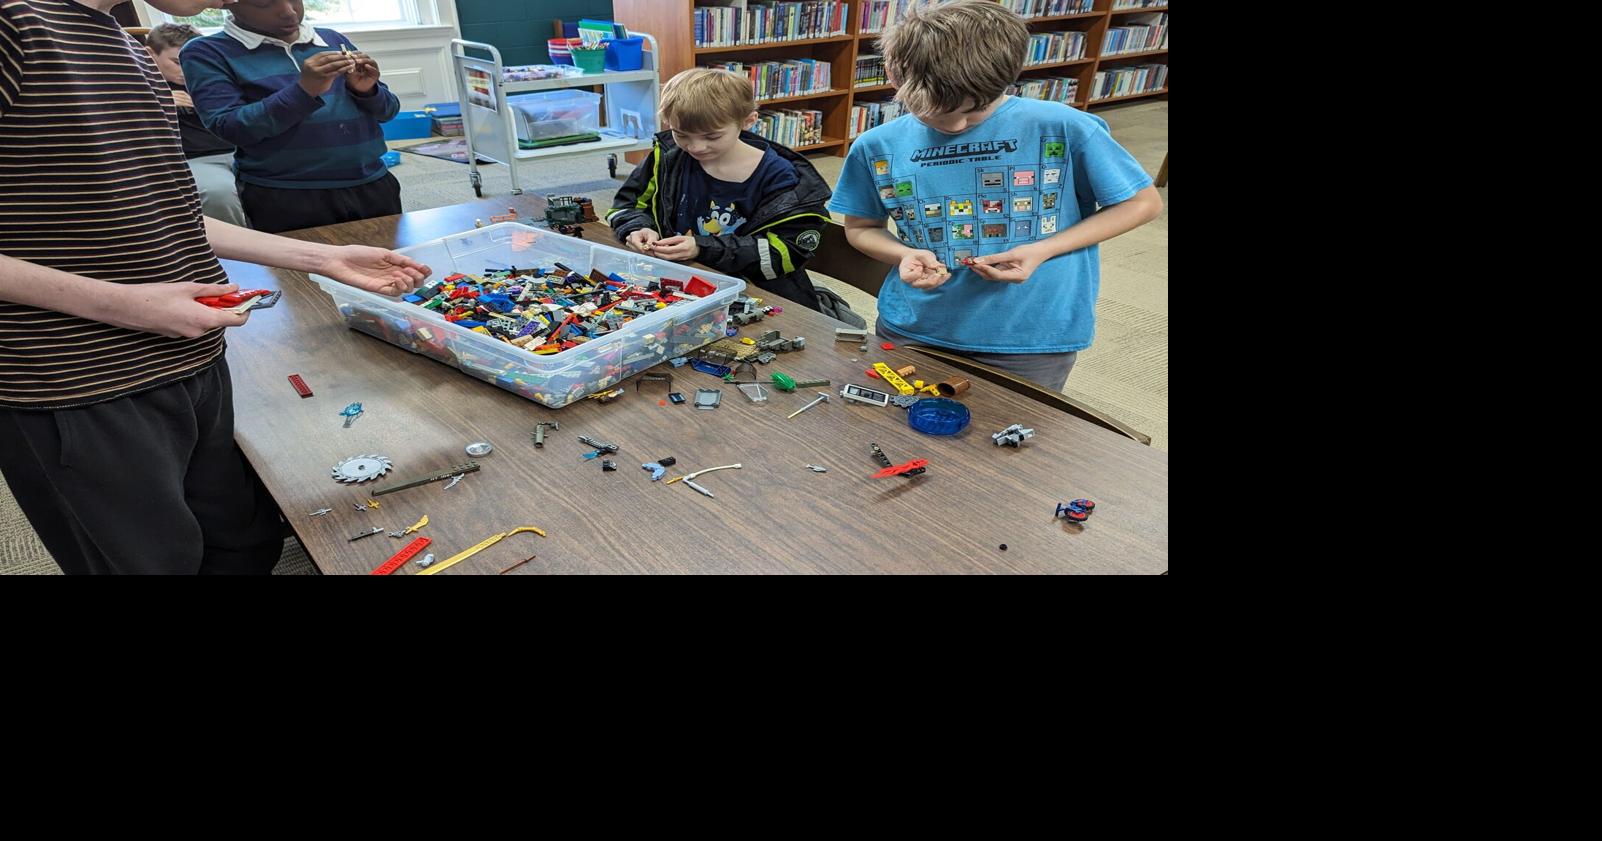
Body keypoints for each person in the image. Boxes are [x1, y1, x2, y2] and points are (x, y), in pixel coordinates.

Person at [0, 0, 430, 574]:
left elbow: (171, 209)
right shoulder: (14, 27)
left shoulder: (124, 45)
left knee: (241, 541)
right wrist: (128, 306)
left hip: (190, 352)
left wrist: (323, 257)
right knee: (150, 559)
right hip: (82, 379)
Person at [827, 0, 1164, 390]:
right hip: (915, 326)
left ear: (1008, 79)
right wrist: (902, 254)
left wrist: (1043, 249)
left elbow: (1142, 203)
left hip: (1031, 334)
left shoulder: (1064, 127)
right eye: (935, 111)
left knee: (1017, 423)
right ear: (893, 73)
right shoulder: (875, 146)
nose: (956, 125)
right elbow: (861, 228)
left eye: (975, 111)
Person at [608, 68, 849, 319]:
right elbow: (627, 205)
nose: (695, 146)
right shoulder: (668, 158)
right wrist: (637, 228)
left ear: (748, 121)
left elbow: (784, 255)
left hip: (758, 295)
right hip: (682, 285)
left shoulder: (784, 180)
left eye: (712, 136)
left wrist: (702, 248)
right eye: (681, 134)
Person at [181, 0, 402, 233]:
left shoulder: (331, 39)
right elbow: (229, 127)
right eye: (265, 4)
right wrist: (303, 91)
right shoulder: (206, 52)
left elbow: (388, 111)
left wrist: (368, 91)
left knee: (392, 253)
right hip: (285, 194)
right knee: (304, 257)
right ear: (228, 4)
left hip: (372, 182)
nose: (289, 12)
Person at [144, 22, 250, 227]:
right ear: (150, 54)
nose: (186, 69)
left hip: (241, 152)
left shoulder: (215, 77)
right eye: (177, 62)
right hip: (195, 160)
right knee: (219, 193)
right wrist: (160, 101)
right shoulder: (139, 85)